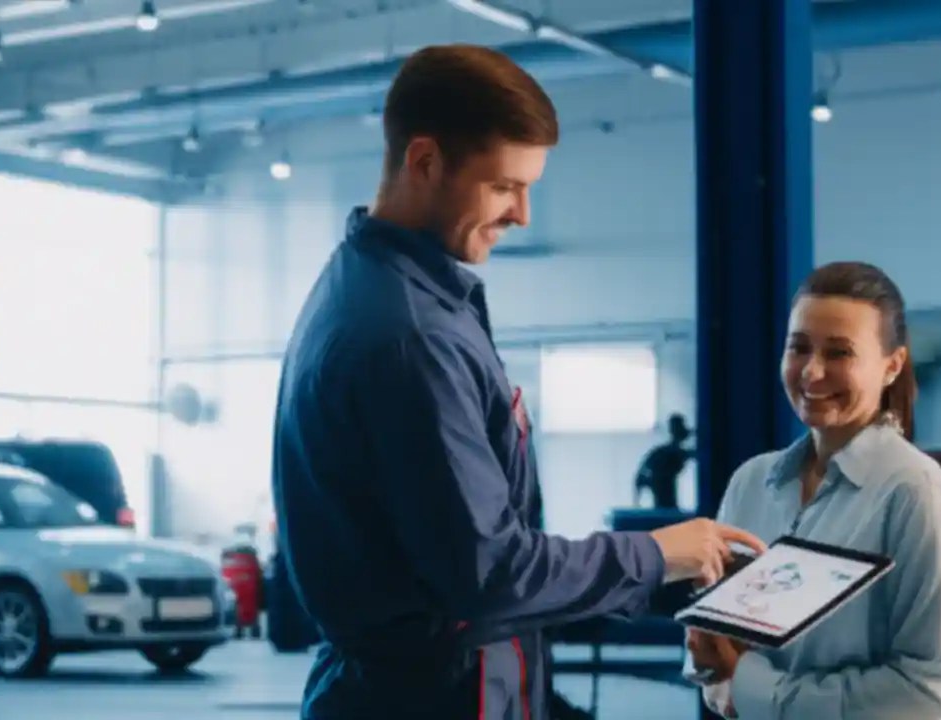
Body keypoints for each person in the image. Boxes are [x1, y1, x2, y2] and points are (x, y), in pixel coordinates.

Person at [270, 44, 765, 720]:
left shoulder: (381, 290)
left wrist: (662, 577)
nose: (523, 214)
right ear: (425, 161)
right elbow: (490, 573)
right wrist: (654, 555)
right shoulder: (412, 337)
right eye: (504, 186)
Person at [686, 261, 941, 719]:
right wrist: (712, 664)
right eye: (799, 347)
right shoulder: (752, 483)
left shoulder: (914, 495)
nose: (812, 372)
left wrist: (752, 687)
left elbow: (925, 695)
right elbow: (711, 654)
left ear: (892, 366)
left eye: (840, 353)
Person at [633, 413, 695, 509]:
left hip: (665, 497)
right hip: (663, 496)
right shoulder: (663, 453)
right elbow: (640, 477)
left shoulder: (669, 452)